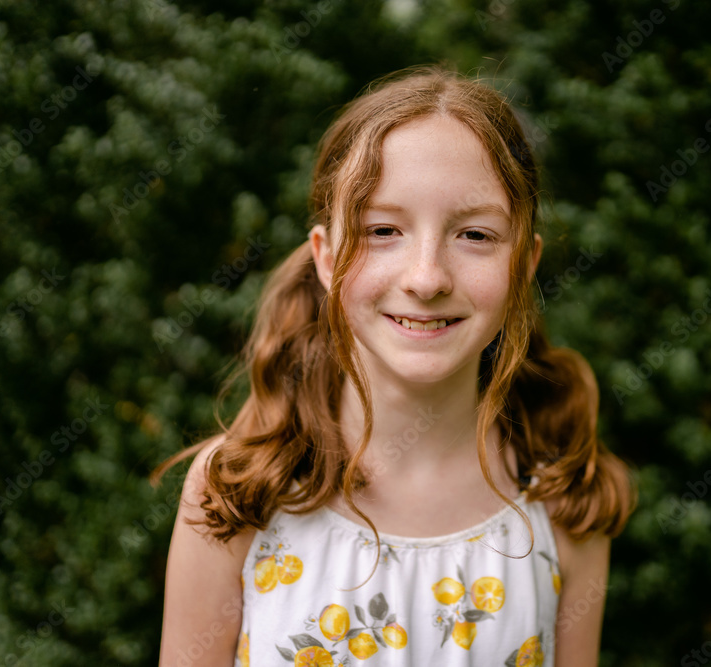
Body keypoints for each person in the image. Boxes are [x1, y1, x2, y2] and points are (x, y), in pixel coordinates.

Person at [153, 63, 636, 667]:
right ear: (326, 260)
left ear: (525, 265)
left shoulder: (564, 501)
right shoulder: (235, 493)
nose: (427, 278)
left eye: (476, 236)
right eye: (383, 230)